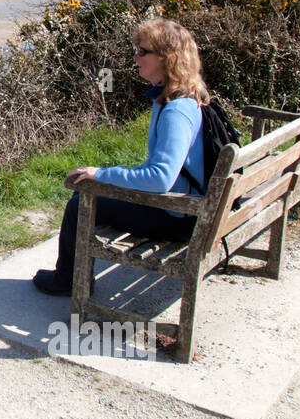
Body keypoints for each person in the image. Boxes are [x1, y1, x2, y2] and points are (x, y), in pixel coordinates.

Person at [33, 17, 208, 295]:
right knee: (85, 195)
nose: (135, 57)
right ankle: (68, 275)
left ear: (167, 58)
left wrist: (101, 174)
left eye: (142, 51)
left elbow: (160, 178)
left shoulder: (175, 110)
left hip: (180, 217)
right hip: (188, 208)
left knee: (80, 204)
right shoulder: (180, 95)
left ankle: (67, 281)